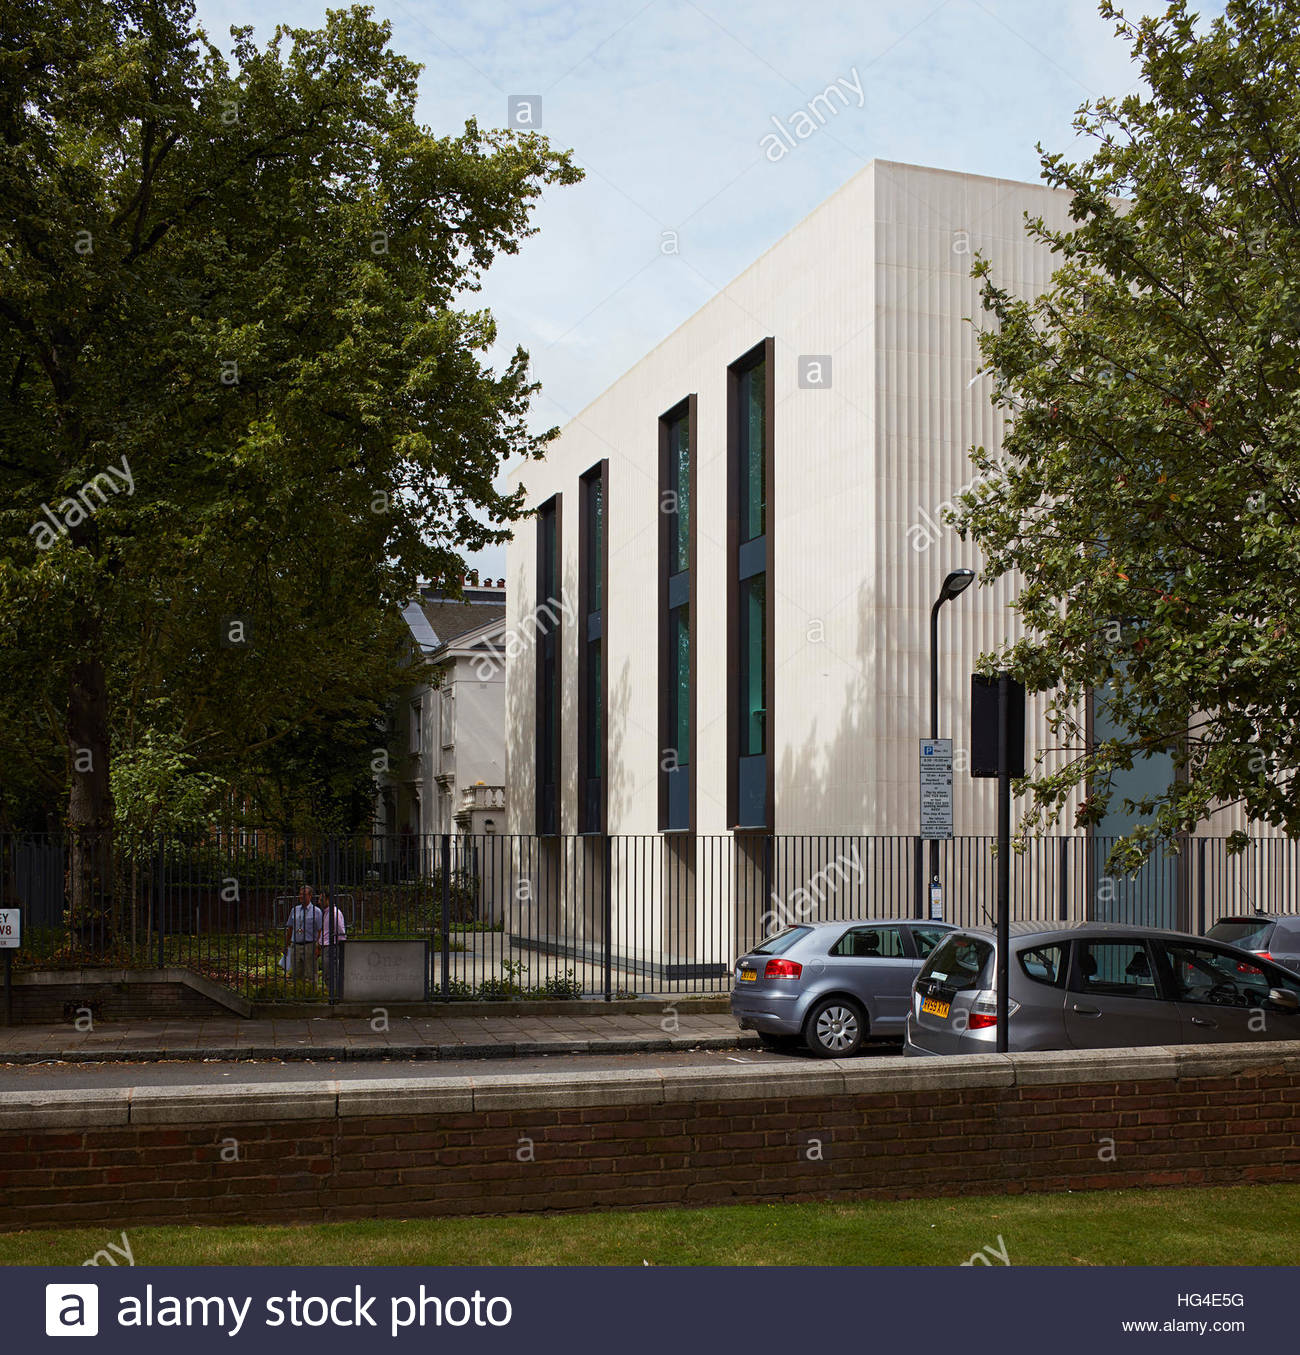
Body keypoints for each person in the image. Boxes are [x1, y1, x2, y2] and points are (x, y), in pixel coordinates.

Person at [284, 885, 322, 984]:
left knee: (311, 974)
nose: (301, 896)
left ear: (310, 896)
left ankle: (312, 995)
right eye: (300, 894)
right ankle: (297, 996)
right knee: (296, 975)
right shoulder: (294, 910)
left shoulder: (317, 912)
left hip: (310, 946)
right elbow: (290, 928)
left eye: (304, 894)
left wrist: (318, 946)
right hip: (295, 946)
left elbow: (320, 930)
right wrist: (286, 945)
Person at [318, 889, 347, 1000]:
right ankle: (332, 995)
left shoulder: (334, 913)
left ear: (328, 900)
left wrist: (341, 946)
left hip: (332, 946)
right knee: (327, 973)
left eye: (321, 899)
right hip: (326, 946)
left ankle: (334, 996)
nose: (319, 902)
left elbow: (340, 931)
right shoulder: (327, 912)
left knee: (330, 973)